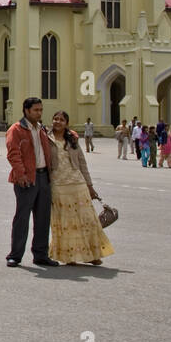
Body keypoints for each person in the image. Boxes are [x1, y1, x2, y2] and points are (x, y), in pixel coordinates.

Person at [47, 110, 114, 266]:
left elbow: (82, 164)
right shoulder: (46, 138)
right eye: (55, 119)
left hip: (77, 183)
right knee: (66, 221)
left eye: (61, 119)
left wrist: (90, 185)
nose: (57, 122)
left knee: (87, 220)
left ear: (67, 123)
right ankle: (69, 255)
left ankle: (93, 255)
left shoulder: (73, 139)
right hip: (58, 184)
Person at [5, 96, 59, 267]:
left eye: (41, 110)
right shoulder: (17, 129)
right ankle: (15, 255)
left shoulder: (41, 128)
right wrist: (21, 175)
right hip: (26, 178)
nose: (39, 113)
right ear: (26, 111)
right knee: (22, 217)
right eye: (36, 110)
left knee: (43, 218)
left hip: (43, 177)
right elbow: (13, 154)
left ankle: (40, 254)